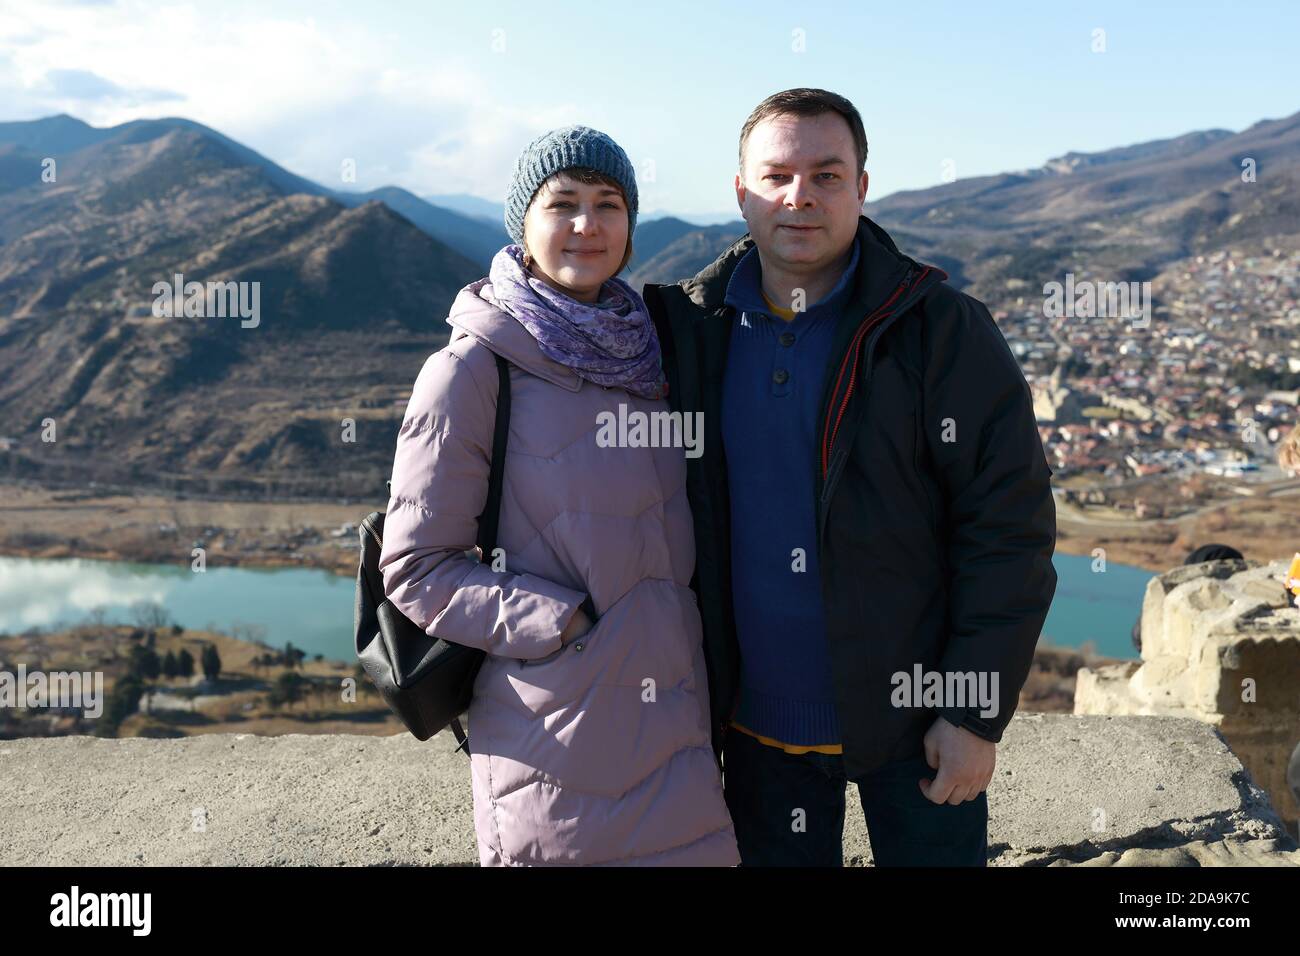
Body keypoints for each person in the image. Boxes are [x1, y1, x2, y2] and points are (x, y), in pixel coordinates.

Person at [642, 89, 1058, 866]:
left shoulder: (941, 329)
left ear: (862, 188)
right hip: (751, 730)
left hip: (919, 726)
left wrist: (973, 713)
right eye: (777, 175)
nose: (800, 196)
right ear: (742, 193)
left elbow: (1009, 532)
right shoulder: (687, 328)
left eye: (827, 175)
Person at [378, 126, 739, 866]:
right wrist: (567, 627)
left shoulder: (647, 355)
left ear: (631, 227)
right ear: (524, 223)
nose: (587, 224)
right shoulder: (472, 370)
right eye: (563, 203)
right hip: (550, 735)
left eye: (608, 204)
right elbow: (417, 568)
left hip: (677, 723)